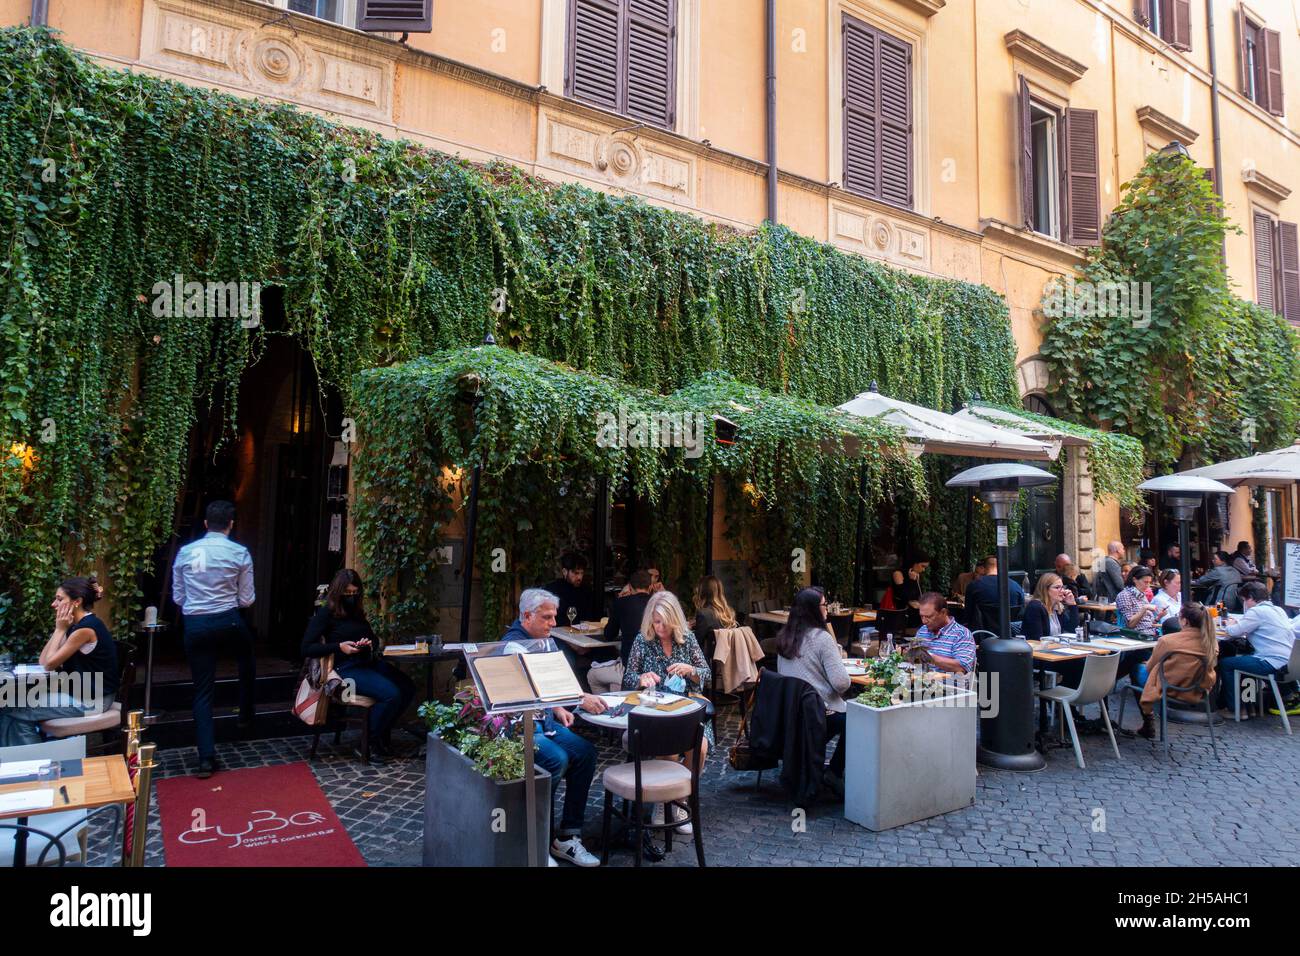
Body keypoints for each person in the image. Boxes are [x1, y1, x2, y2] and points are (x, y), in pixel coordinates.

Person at [503, 588, 608, 866]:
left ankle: (568, 837)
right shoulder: (515, 646)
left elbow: (550, 685)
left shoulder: (542, 639)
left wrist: (558, 708)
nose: (553, 623)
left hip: (543, 721)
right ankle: (539, 842)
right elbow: (536, 686)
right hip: (519, 728)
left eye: (554, 617)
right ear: (527, 616)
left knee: (585, 752)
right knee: (555, 760)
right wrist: (580, 699)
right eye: (547, 617)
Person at [172, 500, 257, 778]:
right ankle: (245, 712)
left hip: (196, 623)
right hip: (227, 619)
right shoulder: (239, 553)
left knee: (203, 690)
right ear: (231, 525)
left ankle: (205, 758)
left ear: (206, 524)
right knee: (247, 657)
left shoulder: (185, 552)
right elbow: (247, 599)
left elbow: (178, 597)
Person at [301, 570, 415, 764]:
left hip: (366, 663)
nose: (352, 597)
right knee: (391, 694)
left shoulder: (356, 613)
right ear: (339, 592)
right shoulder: (326, 613)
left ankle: (380, 734)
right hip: (344, 670)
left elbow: (373, 639)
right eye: (348, 594)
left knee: (407, 687)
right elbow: (306, 648)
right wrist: (339, 647)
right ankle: (369, 743)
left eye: (355, 593)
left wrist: (368, 643)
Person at [622, 590, 713, 834]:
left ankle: (680, 799)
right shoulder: (643, 640)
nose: (659, 627)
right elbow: (628, 678)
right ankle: (664, 803)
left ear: (675, 619)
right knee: (670, 748)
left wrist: (690, 669)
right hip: (655, 710)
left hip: (687, 710)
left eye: (664, 621)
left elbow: (706, 674)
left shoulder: (688, 639)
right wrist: (642, 678)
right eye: (655, 621)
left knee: (700, 746)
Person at [0, 578, 118, 747]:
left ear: (77, 602)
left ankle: (33, 761)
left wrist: (59, 629)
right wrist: (62, 629)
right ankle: (23, 761)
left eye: (59, 599)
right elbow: (44, 661)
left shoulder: (86, 629)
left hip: (93, 701)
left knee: (12, 708)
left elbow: (49, 665)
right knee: (11, 710)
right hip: (81, 694)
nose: (54, 604)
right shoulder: (75, 626)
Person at [776, 587, 851, 793]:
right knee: (858, 720)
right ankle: (834, 772)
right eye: (824, 605)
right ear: (812, 609)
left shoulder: (785, 636)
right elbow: (841, 683)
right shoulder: (822, 638)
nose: (827, 609)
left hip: (790, 714)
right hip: (816, 714)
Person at [1133, 603, 1218, 739]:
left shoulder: (1167, 641)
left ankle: (1147, 719)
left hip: (1169, 688)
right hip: (1197, 689)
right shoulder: (1211, 643)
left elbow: (1150, 668)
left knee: (1136, 668)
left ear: (1185, 621)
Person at [1217, 581, 1296, 712]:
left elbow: (1233, 631)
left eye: (1244, 600)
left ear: (1251, 598)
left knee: (1226, 663)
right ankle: (1249, 705)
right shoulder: (1278, 610)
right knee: (1246, 658)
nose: (1244, 604)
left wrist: (1230, 624)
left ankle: (1234, 708)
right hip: (1288, 663)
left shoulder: (1256, 612)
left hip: (1271, 663)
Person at [912, 592, 976, 674]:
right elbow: (914, 663)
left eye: (929, 616)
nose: (924, 621)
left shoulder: (962, 634)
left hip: (950, 685)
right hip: (922, 683)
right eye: (921, 616)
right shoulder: (922, 630)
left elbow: (961, 667)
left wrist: (929, 657)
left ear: (943, 612)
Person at [605, 569, 654, 663]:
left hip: (630, 665)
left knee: (592, 674)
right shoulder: (659, 603)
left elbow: (609, 634)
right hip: (655, 664)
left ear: (630, 587)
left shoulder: (621, 603)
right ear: (651, 587)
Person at [1020, 572, 1079, 642]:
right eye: (1057, 587)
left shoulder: (1058, 607)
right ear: (1045, 590)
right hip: (1040, 650)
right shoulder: (1035, 607)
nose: (1062, 591)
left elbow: (1072, 629)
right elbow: (1036, 639)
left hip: (1056, 647)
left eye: (1062, 587)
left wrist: (1072, 604)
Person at [691, 574, 737, 660]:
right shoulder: (728, 613)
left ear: (702, 592)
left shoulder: (703, 614)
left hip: (708, 663)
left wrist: (686, 630)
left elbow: (695, 644)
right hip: (726, 660)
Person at [544, 551, 595, 626]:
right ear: (564, 572)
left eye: (582, 573)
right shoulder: (553, 590)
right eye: (576, 573)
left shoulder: (586, 590)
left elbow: (590, 617)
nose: (580, 577)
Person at [1115, 566, 1162, 639]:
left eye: (1149, 582)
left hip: (1150, 635)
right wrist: (1144, 608)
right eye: (1145, 582)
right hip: (1137, 637)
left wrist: (1159, 617)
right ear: (1134, 580)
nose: (1148, 585)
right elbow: (1130, 625)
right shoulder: (1124, 595)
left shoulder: (1141, 594)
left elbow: (1147, 622)